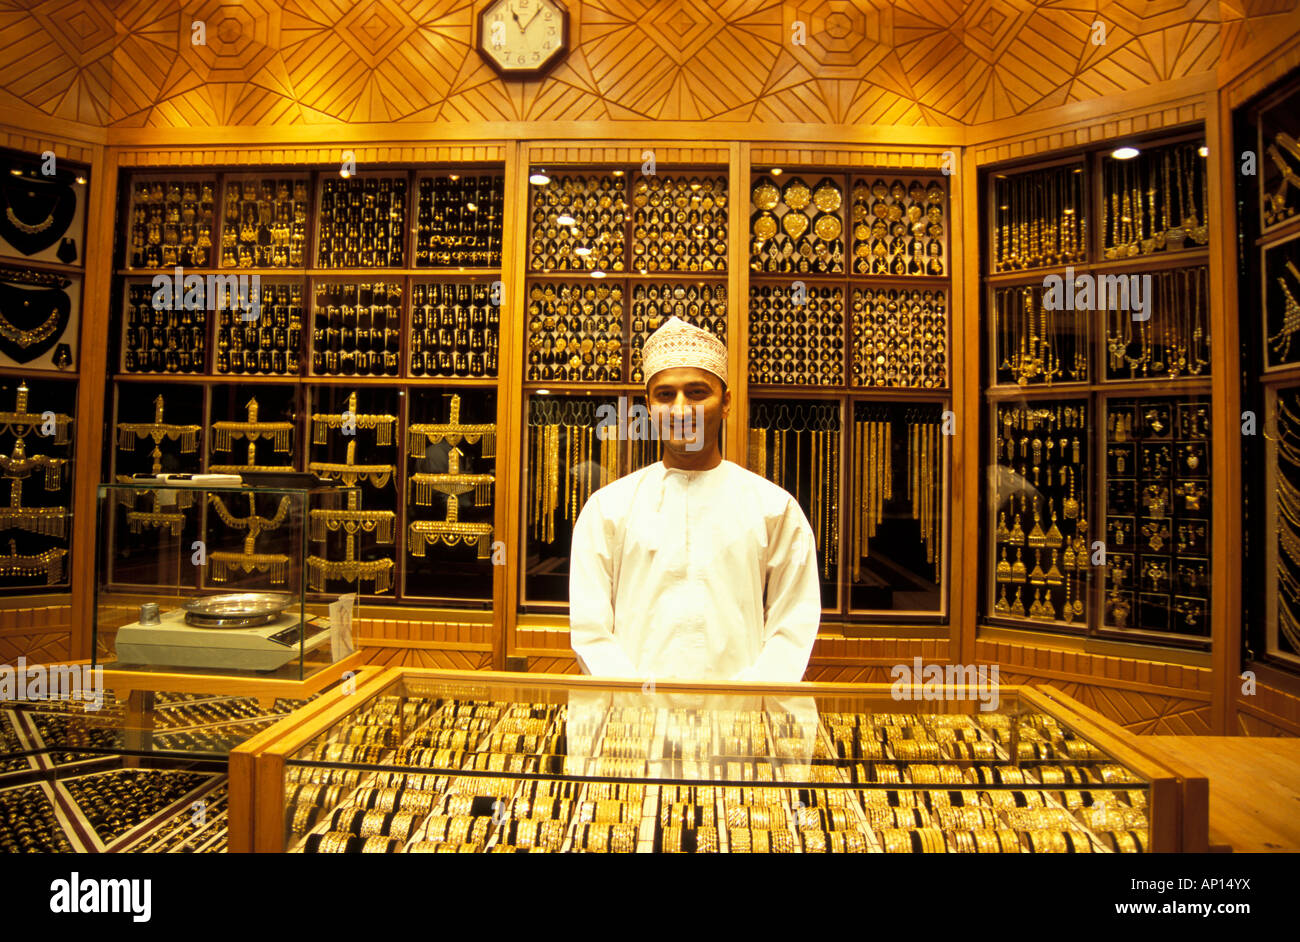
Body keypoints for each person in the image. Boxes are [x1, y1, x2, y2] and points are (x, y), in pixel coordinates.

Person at [568, 316, 821, 682]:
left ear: (727, 402)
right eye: (665, 394)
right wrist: (637, 708)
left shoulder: (774, 509)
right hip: (635, 727)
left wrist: (741, 709)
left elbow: (792, 627)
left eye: (697, 392)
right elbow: (590, 632)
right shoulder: (608, 509)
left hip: (738, 726)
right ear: (648, 405)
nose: (681, 408)